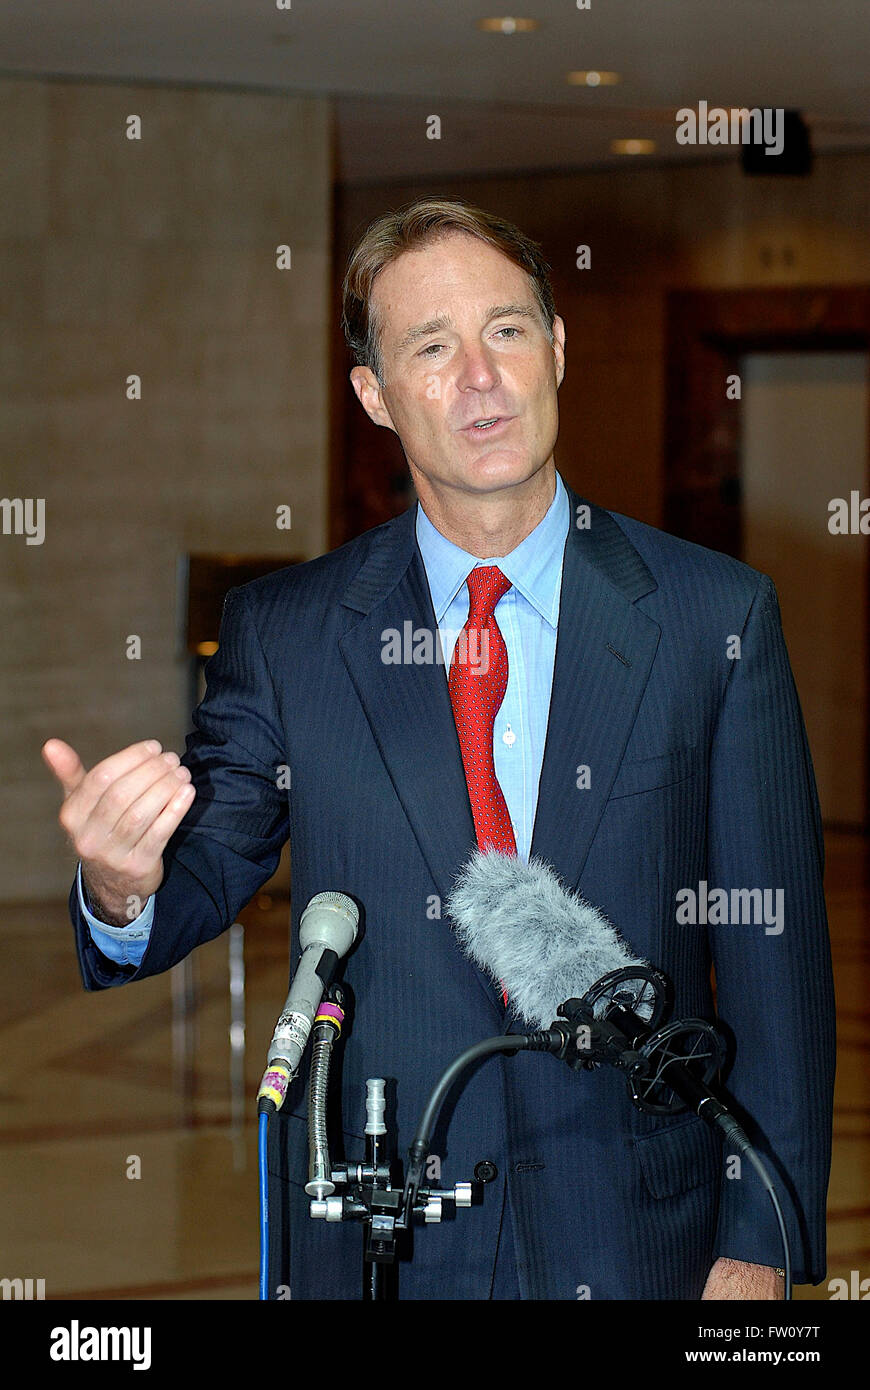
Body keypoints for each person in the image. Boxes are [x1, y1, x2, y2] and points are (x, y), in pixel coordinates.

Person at [44, 197, 835, 1300]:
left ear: (557, 349)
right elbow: (201, 871)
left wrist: (763, 1241)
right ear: (374, 393)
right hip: (386, 1230)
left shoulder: (716, 617)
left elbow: (775, 963)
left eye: (507, 330)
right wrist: (118, 885)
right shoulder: (290, 632)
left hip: (641, 1230)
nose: (480, 375)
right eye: (431, 345)